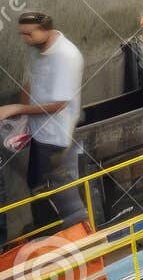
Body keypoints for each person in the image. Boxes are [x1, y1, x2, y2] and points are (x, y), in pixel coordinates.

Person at [0, 12, 87, 232]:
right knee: (36, 184)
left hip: (58, 137)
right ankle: (45, 229)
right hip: (38, 132)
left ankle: (65, 231)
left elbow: (59, 104)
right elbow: (29, 82)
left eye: (29, 34)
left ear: (45, 29)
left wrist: (18, 108)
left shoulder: (67, 56)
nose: (25, 39)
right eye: (22, 35)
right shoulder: (36, 50)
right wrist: (22, 119)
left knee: (54, 189)